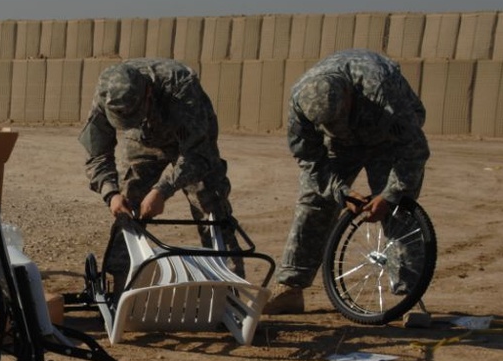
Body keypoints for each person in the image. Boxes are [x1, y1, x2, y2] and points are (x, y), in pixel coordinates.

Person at [264, 48, 429, 315]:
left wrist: (390, 195)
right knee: (314, 202)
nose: (336, 125)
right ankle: (290, 288)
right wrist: (341, 192)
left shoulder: (380, 88)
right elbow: (309, 159)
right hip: (340, 146)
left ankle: (410, 298)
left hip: (388, 138)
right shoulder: (300, 101)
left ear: (348, 95)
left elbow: (414, 148)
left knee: (399, 211)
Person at [78, 58, 244, 283]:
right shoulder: (107, 92)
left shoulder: (181, 86)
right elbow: (97, 153)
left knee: (211, 208)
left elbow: (197, 154)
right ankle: (123, 285)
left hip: (190, 140)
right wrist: (111, 193)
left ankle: (230, 285)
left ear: (147, 93)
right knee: (128, 206)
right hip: (143, 140)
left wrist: (162, 191)